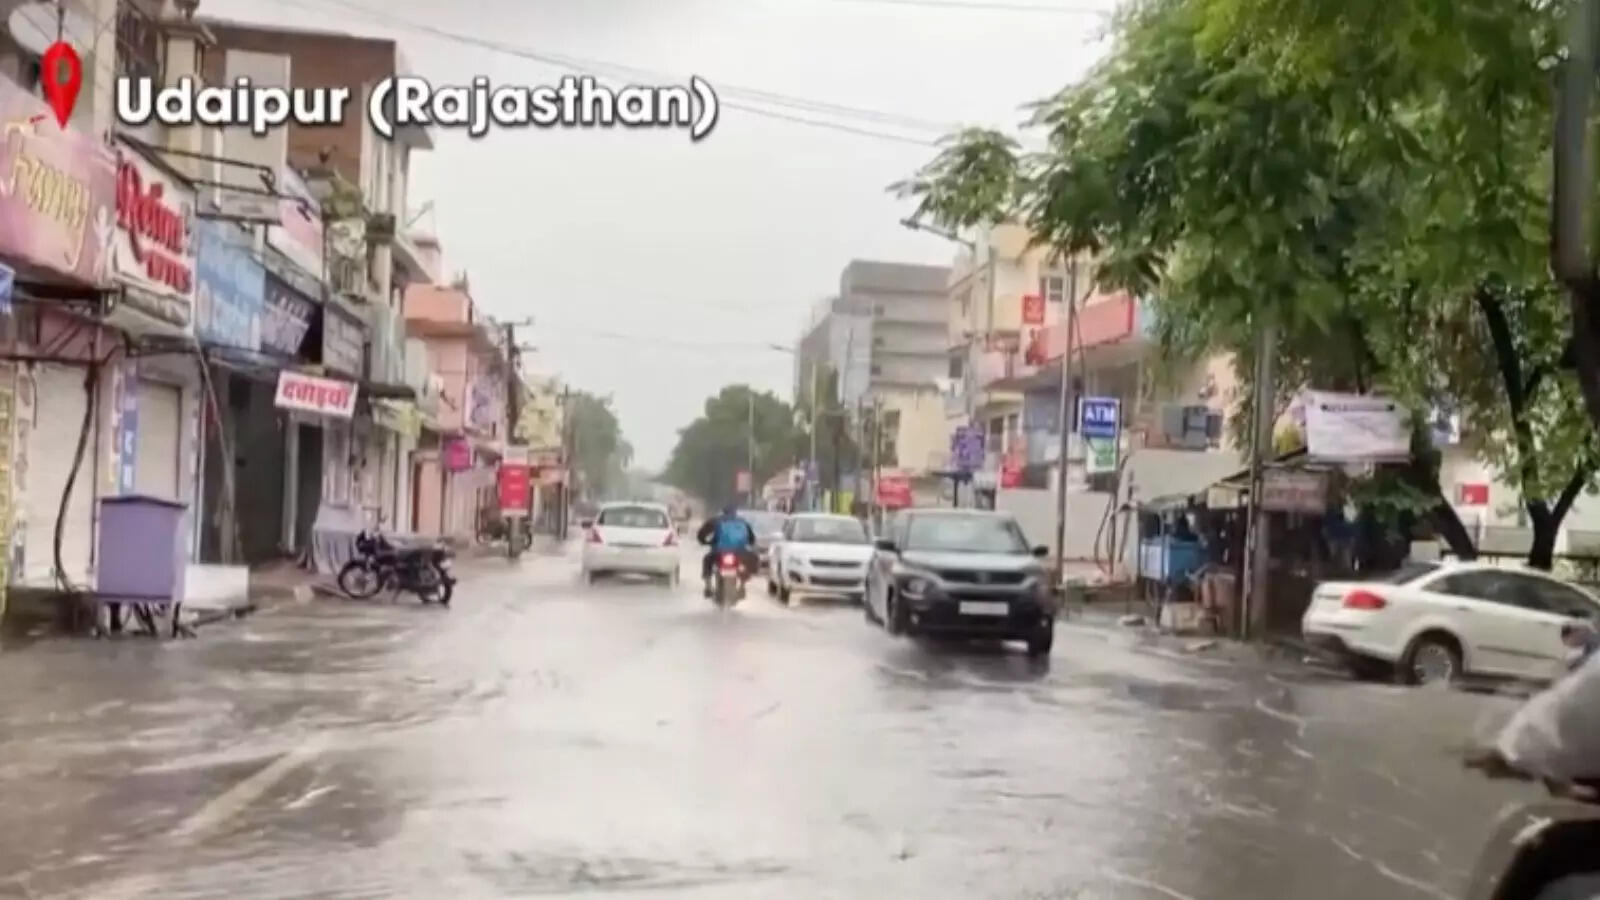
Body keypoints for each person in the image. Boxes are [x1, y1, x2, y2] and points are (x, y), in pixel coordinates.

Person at [695, 505, 758, 597]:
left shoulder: (715, 521)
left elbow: (701, 534)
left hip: (719, 551)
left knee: (707, 561)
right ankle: (742, 585)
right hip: (740, 551)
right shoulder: (743, 522)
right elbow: (752, 539)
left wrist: (704, 542)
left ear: (723, 512)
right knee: (750, 561)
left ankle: (708, 586)